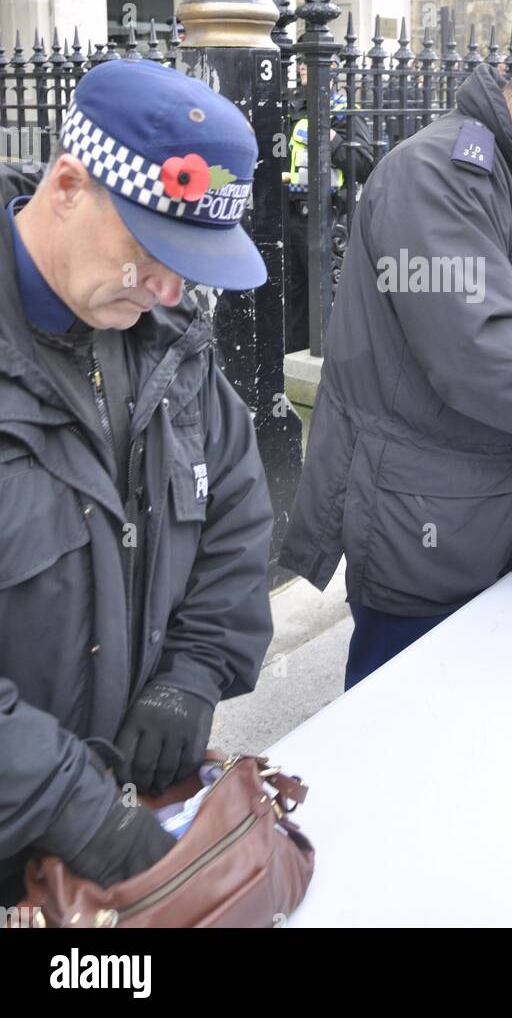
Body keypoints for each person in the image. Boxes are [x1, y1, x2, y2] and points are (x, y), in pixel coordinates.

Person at [281, 18, 512, 688]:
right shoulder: (435, 177)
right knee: (393, 731)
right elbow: (481, 359)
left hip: (496, 506)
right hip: (423, 526)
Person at [0, 60, 274, 906]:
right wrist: (74, 809)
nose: (169, 288)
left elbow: (233, 505)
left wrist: (191, 669)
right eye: (151, 252)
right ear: (69, 185)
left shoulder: (164, 338)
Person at [285, 55, 374, 350]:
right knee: (294, 298)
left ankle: (328, 361)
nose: (301, 66)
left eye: (306, 61)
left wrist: (332, 138)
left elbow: (364, 164)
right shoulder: (294, 107)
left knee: (326, 297)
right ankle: (293, 360)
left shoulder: (345, 111)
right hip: (293, 216)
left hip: (329, 217)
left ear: (332, 70)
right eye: (298, 61)